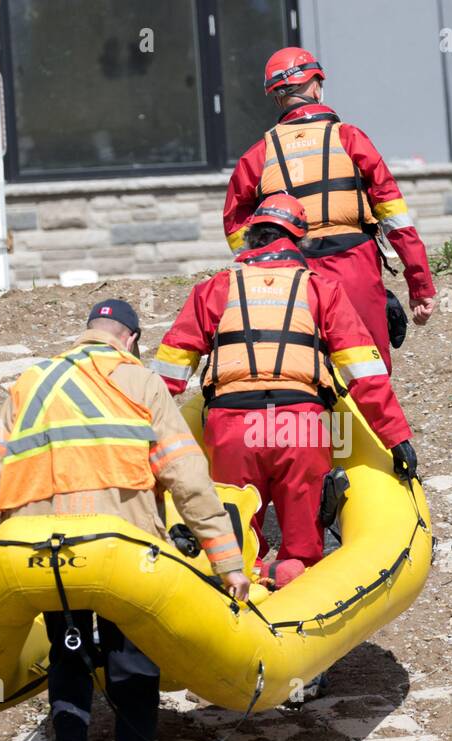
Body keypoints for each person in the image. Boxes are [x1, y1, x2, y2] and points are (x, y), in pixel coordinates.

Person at [0, 299, 251, 741]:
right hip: (121, 552)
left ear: (87, 333)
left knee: (70, 650)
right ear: (130, 339)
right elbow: (185, 473)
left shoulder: (30, 382)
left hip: (42, 556)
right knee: (133, 673)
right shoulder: (140, 380)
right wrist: (226, 560)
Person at [150, 193, 417, 586]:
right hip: (300, 427)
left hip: (232, 427)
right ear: (299, 241)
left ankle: (237, 628)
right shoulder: (321, 289)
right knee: (303, 554)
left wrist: (132, 436)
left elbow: (166, 379)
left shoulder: (215, 289)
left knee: (233, 547)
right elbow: (366, 377)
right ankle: (298, 626)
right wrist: (396, 440)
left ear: (251, 237)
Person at [222, 46, 437, 373]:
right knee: (368, 373)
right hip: (356, 267)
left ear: (276, 97)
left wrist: (265, 269)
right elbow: (395, 218)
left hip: (294, 276)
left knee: (306, 371)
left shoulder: (257, 155)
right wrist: (419, 285)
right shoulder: (350, 139)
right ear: (316, 85)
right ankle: (366, 425)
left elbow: (235, 222)